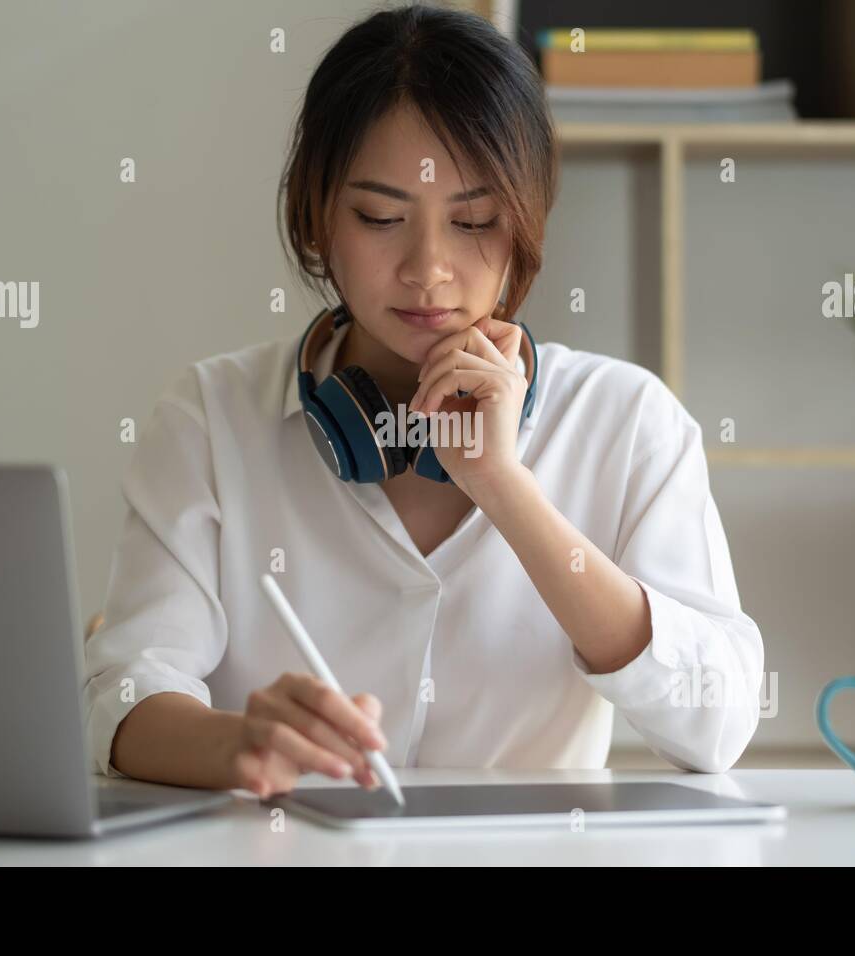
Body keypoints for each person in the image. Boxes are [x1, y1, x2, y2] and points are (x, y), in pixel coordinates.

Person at [83, 3, 764, 798]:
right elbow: (121, 695)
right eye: (380, 217)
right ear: (317, 219)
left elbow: (718, 722)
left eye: (473, 219)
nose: (429, 268)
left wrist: (506, 488)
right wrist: (238, 745)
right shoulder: (209, 416)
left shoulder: (627, 420)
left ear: (526, 219)